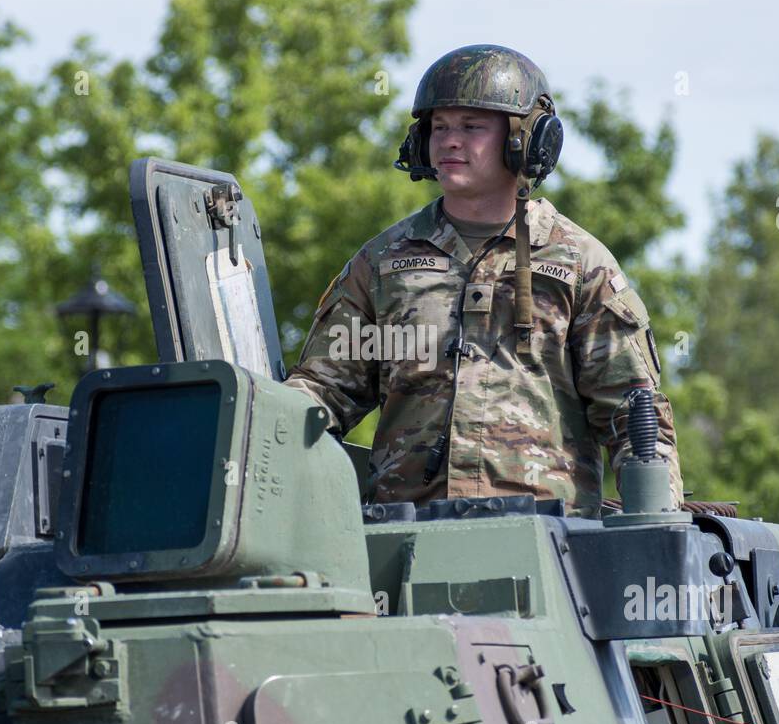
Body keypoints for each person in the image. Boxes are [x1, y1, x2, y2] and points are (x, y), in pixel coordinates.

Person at [283, 44, 682, 516]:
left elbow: (632, 417)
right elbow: (325, 390)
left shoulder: (580, 264)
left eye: (472, 127)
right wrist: (257, 428)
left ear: (525, 141)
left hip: (550, 547)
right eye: (440, 127)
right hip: (406, 538)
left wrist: (656, 528)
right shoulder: (384, 263)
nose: (450, 142)